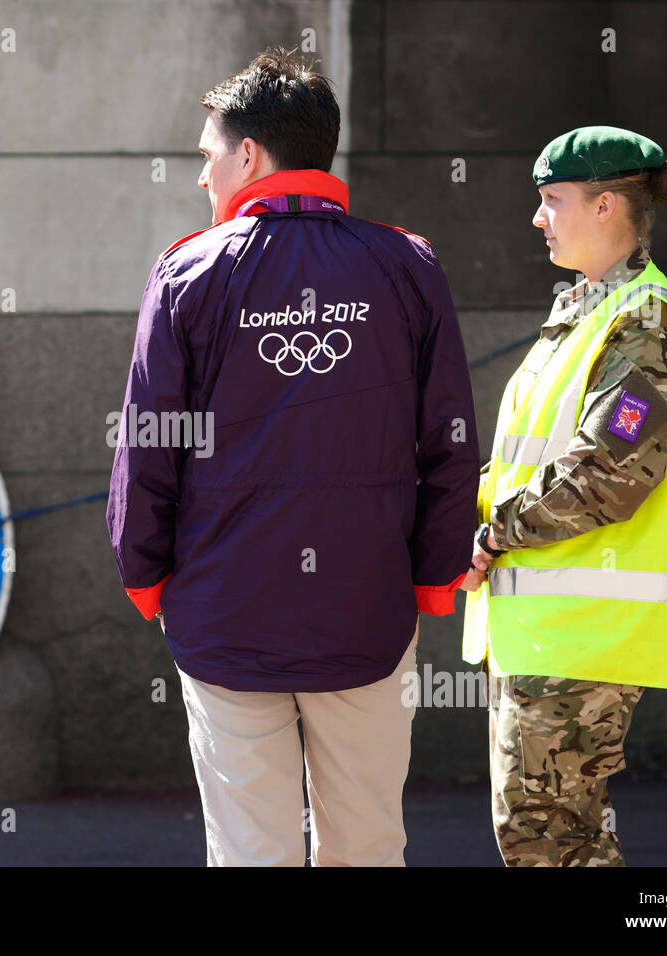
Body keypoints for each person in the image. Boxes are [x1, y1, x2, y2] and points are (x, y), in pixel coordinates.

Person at [106, 46, 479, 866]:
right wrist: (434, 577)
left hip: (224, 609)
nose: (203, 177)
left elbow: (148, 443)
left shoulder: (186, 274)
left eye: (208, 156)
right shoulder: (407, 265)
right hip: (368, 611)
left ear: (248, 155)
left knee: (249, 850)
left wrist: (145, 575)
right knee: (369, 843)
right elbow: (451, 442)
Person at [460, 126, 667, 866]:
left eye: (551, 200)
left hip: (581, 637)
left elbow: (609, 472)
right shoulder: (583, 315)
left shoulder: (649, 321)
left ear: (606, 206)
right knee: (555, 836)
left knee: (549, 840)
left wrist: (491, 535)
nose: (538, 217)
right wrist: (463, 521)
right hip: (541, 631)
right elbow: (520, 464)